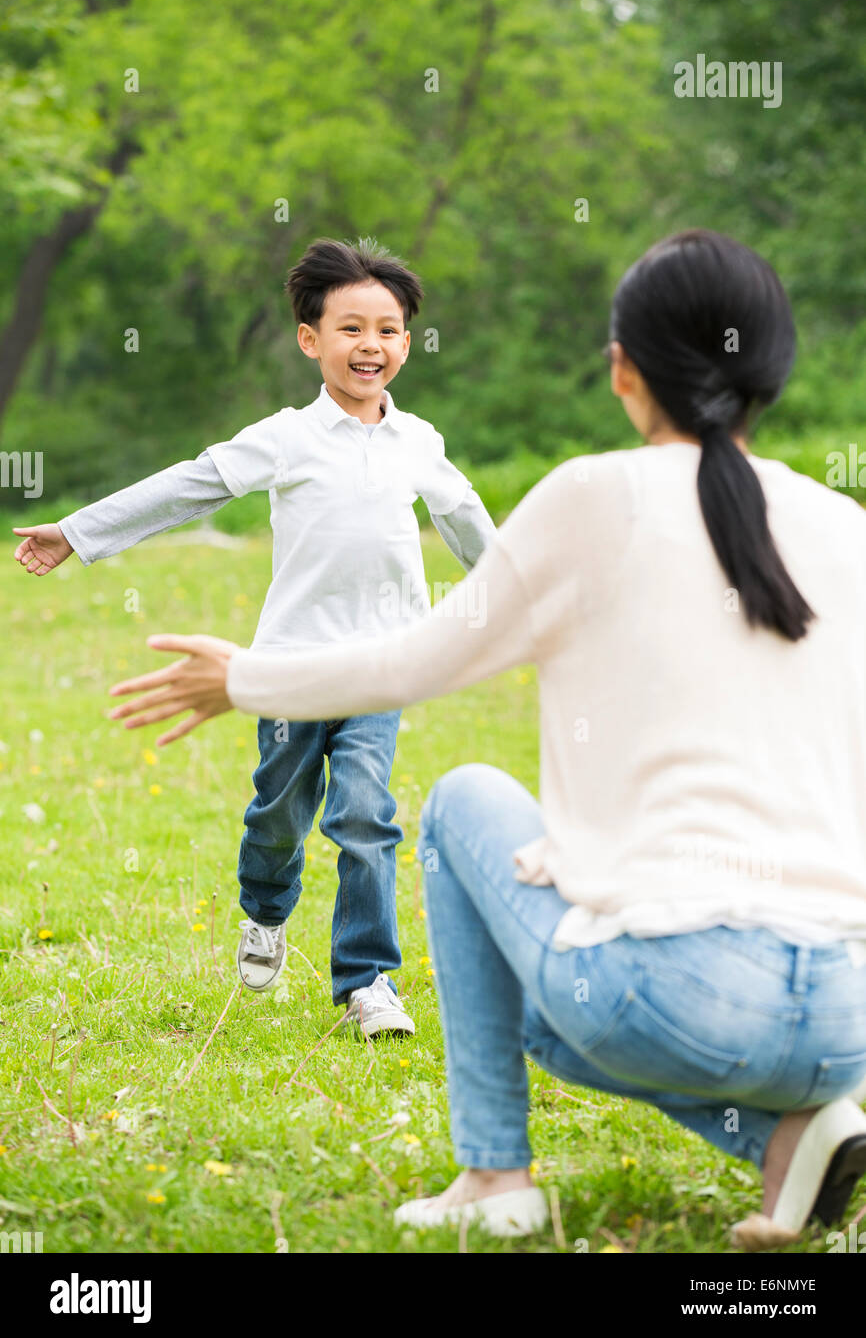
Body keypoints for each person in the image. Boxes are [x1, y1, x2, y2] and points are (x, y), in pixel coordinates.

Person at [107, 230, 866, 1249]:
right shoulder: (841, 524)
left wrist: (240, 677)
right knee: (579, 959)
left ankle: (494, 1174)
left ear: (621, 371)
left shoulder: (589, 497)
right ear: (773, 369)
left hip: (672, 1003)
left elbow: (407, 663)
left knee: (468, 808)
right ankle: (801, 1133)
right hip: (845, 1017)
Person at [12, 237, 496, 1038]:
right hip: (287, 669)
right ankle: (265, 911)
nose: (370, 345)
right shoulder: (286, 437)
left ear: (407, 342)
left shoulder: (421, 444)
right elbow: (188, 487)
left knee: (368, 817)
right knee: (278, 813)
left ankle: (366, 982)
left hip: (381, 666)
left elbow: (472, 525)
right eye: (350, 329)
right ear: (311, 340)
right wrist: (76, 531)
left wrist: (536, 598)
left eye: (387, 329)